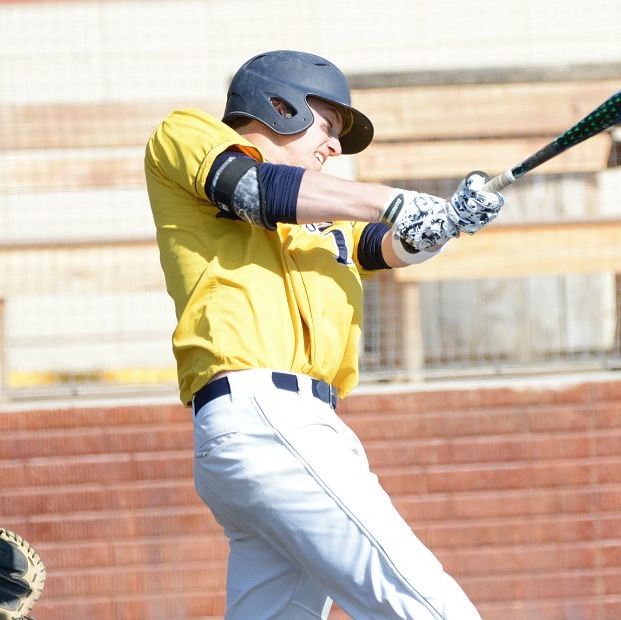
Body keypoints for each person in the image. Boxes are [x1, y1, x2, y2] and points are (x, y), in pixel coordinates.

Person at [145, 50, 504, 618]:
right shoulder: (186, 134)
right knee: (427, 606)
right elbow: (254, 191)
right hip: (266, 418)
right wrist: (393, 200)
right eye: (328, 125)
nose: (335, 146)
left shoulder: (318, 213)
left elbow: (371, 247)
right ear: (278, 104)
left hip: (298, 426)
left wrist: (439, 227)